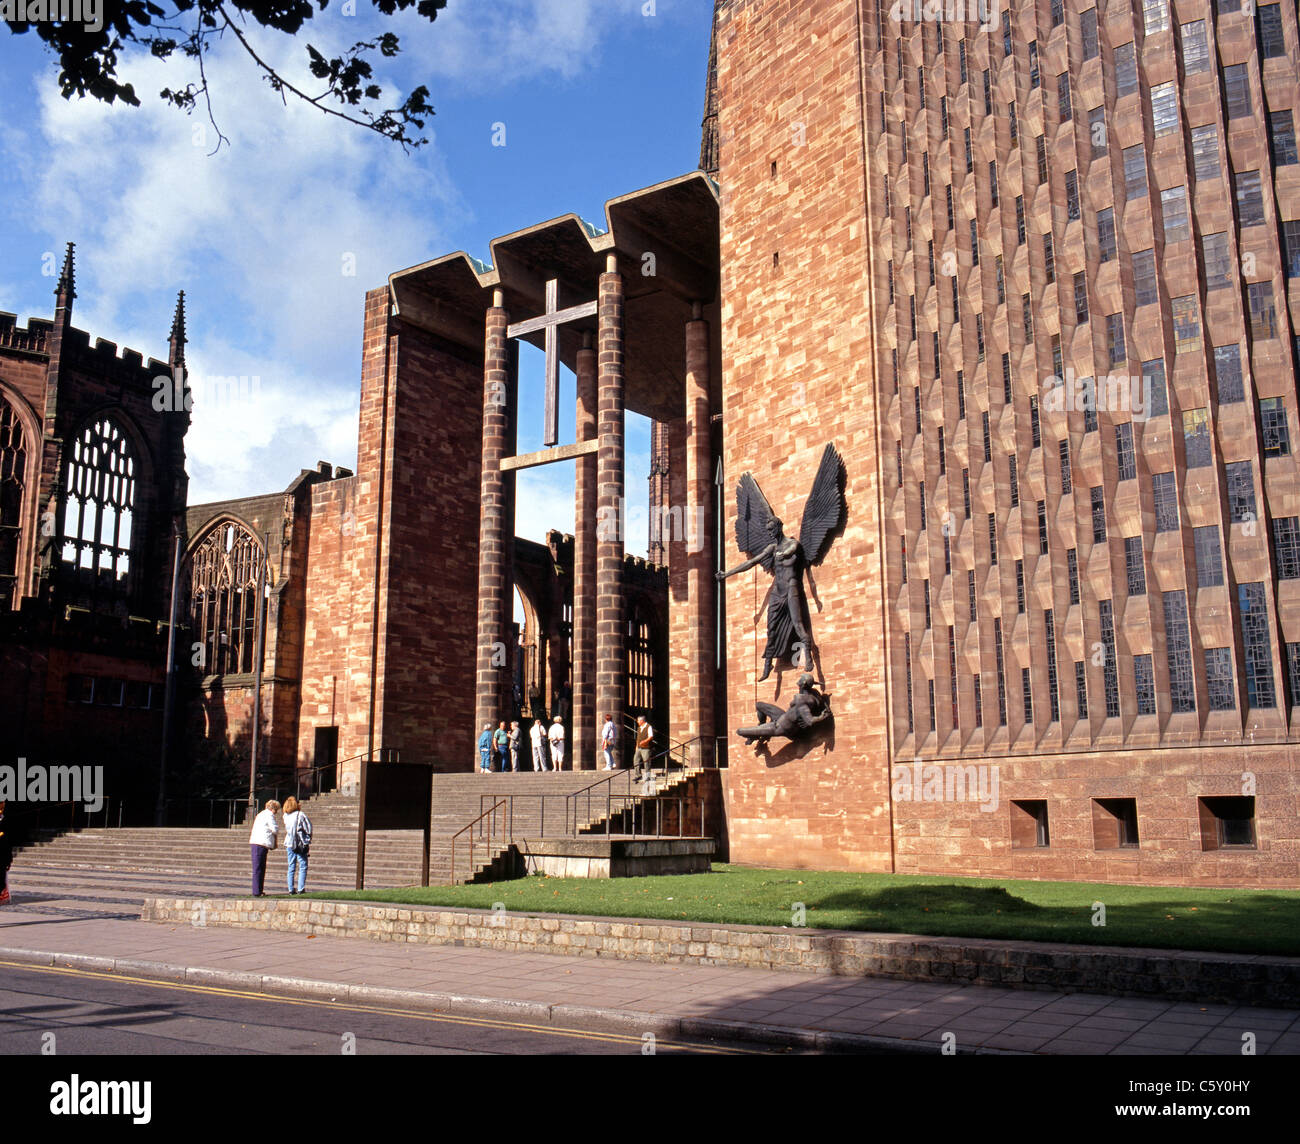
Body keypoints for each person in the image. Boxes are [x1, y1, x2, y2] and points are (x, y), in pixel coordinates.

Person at [248, 799, 280, 897]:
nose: (277, 812)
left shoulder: (261, 814)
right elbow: (274, 829)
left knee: (259, 867)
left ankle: (259, 890)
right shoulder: (269, 815)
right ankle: (257, 891)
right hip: (260, 843)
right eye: (276, 809)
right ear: (273, 808)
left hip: (257, 842)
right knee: (259, 867)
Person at [282, 796, 312, 895]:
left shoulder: (285, 816)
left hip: (289, 843)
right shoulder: (300, 815)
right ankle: (301, 888)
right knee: (302, 865)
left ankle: (291, 889)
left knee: (291, 866)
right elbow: (308, 828)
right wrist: (308, 839)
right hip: (299, 843)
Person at [633, 715, 654, 780]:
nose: (637, 722)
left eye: (638, 720)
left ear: (642, 721)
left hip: (646, 748)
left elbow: (651, 736)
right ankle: (638, 775)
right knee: (636, 760)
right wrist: (636, 746)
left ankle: (648, 775)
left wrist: (645, 741)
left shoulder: (649, 727)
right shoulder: (639, 728)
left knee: (646, 761)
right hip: (639, 747)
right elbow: (638, 738)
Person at [0, 800, 12, 906]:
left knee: (1, 883)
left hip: (2, 858)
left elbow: (8, 843)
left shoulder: (5, 818)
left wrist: (9, 860)